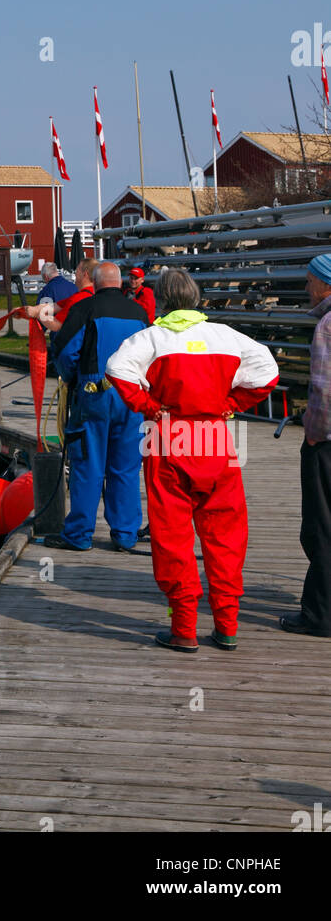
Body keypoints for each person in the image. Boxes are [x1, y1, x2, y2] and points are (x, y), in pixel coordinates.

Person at [107, 267, 278, 652]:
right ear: (197, 297)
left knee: (172, 535)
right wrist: (232, 404)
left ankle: (183, 627)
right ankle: (227, 625)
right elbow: (267, 370)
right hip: (216, 438)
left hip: (168, 436)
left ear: (163, 299)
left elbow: (116, 369)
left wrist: (149, 408)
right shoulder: (226, 336)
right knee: (225, 534)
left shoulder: (150, 338)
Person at [44, 262, 148, 552]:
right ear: (120, 283)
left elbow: (65, 350)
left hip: (94, 393)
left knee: (88, 465)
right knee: (126, 466)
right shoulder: (140, 314)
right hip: (132, 398)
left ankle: (79, 535)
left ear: (97, 282)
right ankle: (125, 534)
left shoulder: (84, 309)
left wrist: (73, 379)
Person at [280, 254, 331, 637]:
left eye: (310, 281)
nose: (306, 289)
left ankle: (320, 614)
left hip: (327, 445)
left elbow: (324, 390)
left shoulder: (327, 325)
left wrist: (314, 433)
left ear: (325, 284)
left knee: (321, 528)